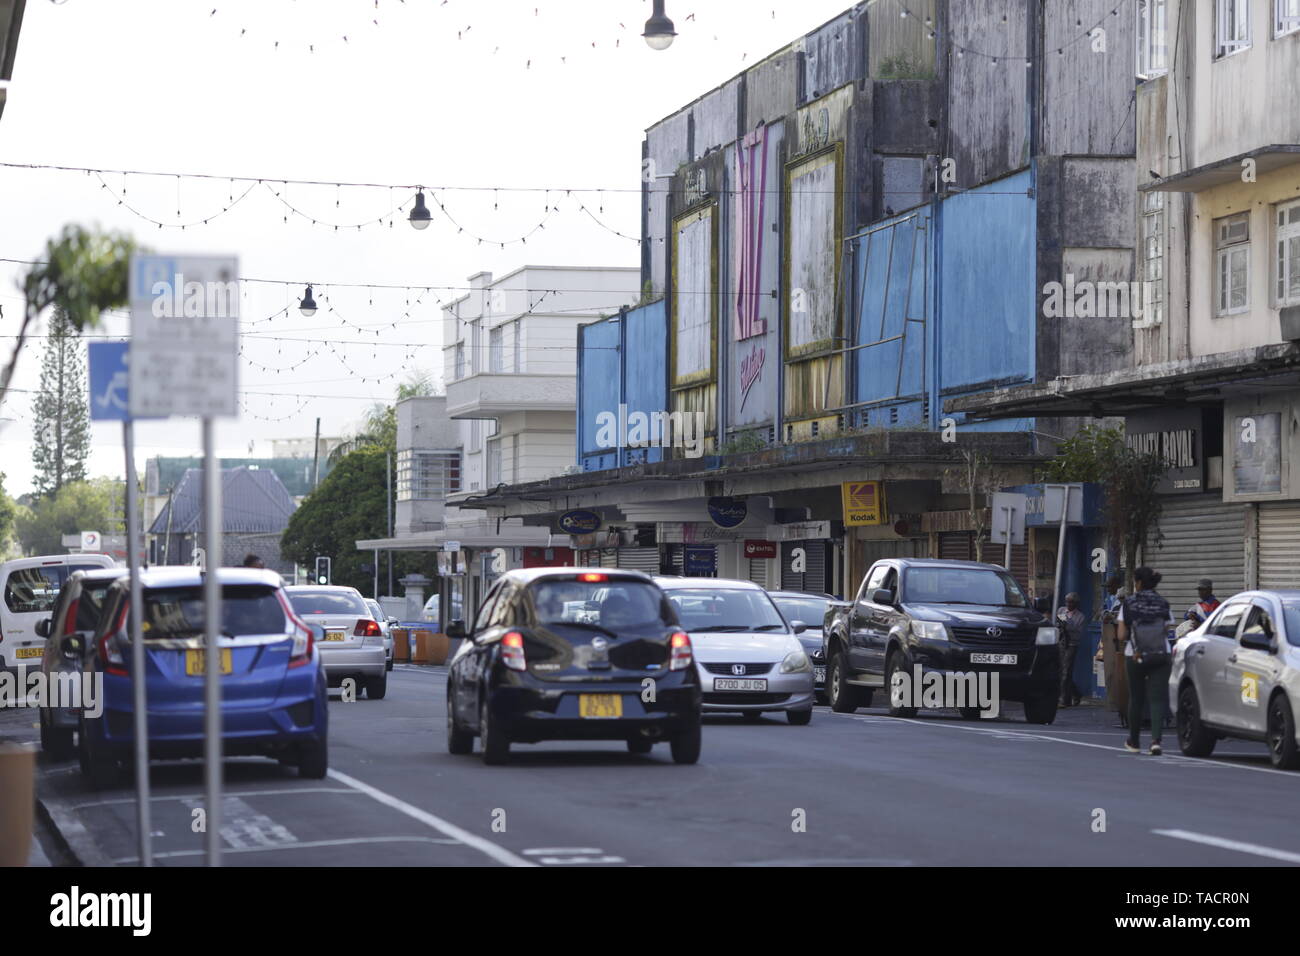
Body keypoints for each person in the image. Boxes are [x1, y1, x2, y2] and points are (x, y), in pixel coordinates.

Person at [1116, 566, 1175, 756]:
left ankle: (1134, 741)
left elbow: (1122, 634)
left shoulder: (1129, 603)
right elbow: (1167, 629)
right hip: (1161, 653)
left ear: (1139, 583)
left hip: (1135, 654)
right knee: (1158, 699)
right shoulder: (1163, 603)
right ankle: (1156, 741)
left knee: (1137, 698)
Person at [1094, 574, 1129, 726]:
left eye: (1109, 586)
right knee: (1110, 674)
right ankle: (1113, 702)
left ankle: (1119, 703)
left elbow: (1119, 620)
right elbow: (1106, 614)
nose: (1108, 589)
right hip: (1109, 642)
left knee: (1117, 675)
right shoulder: (1111, 600)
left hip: (1119, 644)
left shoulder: (1121, 600)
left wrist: (1110, 617)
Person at [1057, 593, 1087, 707]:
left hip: (1072, 644)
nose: (1068, 604)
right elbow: (1058, 623)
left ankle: (1063, 699)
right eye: (1067, 601)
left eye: (1071, 602)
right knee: (1061, 671)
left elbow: (1077, 632)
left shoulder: (1080, 617)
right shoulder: (1061, 610)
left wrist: (1067, 623)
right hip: (1061, 642)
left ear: (1076, 604)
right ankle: (1075, 694)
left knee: (1066, 671)